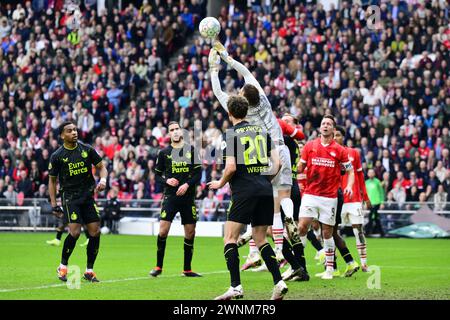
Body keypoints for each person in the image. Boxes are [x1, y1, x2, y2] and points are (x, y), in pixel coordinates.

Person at [210, 45, 300, 262]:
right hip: (281, 149)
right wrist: (229, 58)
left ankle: (276, 250)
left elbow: (218, 92)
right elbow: (247, 73)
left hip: (264, 154)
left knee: (268, 205)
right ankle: (289, 220)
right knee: (283, 198)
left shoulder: (242, 109)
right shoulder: (263, 99)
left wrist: (214, 68)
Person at [208, 95, 288, 300]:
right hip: (264, 189)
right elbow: (277, 163)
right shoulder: (261, 131)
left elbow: (231, 167)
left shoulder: (231, 134)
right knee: (261, 239)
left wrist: (220, 183)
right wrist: (265, 180)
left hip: (244, 191)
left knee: (230, 238)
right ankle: (279, 282)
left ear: (230, 113)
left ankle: (235, 286)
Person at [49, 121, 108, 283]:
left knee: (95, 231)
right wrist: (54, 204)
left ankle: (89, 271)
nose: (74, 132)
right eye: (69, 131)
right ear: (62, 135)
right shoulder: (57, 156)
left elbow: (102, 167)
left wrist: (103, 180)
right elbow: (52, 181)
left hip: (87, 196)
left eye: (75, 130)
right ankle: (62, 266)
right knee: (74, 232)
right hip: (70, 197)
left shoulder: (87, 149)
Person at [297, 115, 355, 280]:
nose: (325, 126)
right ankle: (299, 266)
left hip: (329, 197)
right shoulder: (309, 146)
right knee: (301, 227)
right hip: (310, 194)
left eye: (329, 123)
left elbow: (350, 171)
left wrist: (349, 186)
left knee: (327, 233)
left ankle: (330, 269)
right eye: (323, 123)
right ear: (320, 127)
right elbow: (300, 167)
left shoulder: (340, 150)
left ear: (333, 129)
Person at [149, 121, 202, 278]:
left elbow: (198, 174)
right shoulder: (164, 153)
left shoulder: (191, 150)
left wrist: (186, 184)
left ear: (181, 131)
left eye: (177, 129)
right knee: (163, 231)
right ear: (169, 134)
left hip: (188, 198)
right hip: (170, 197)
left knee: (190, 232)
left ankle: (187, 269)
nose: (175, 132)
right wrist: (167, 180)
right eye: (172, 130)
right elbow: (157, 175)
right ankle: (158, 266)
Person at [334, 126, 370, 273]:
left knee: (358, 231)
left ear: (343, 137)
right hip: (336, 198)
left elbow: (360, 176)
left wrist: (365, 196)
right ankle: (332, 266)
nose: (335, 138)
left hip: (354, 198)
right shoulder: (328, 153)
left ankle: (363, 264)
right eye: (334, 135)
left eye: (338, 135)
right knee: (331, 232)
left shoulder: (353, 153)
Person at [365, 169, 385, 237]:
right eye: (369, 172)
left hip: (377, 202)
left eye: (372, 172)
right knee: (375, 218)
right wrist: (365, 202)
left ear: (374, 174)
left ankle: (367, 232)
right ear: (367, 174)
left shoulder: (377, 182)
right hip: (369, 203)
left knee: (372, 218)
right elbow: (365, 194)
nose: (371, 174)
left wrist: (382, 202)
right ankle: (382, 233)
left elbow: (381, 192)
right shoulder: (366, 182)